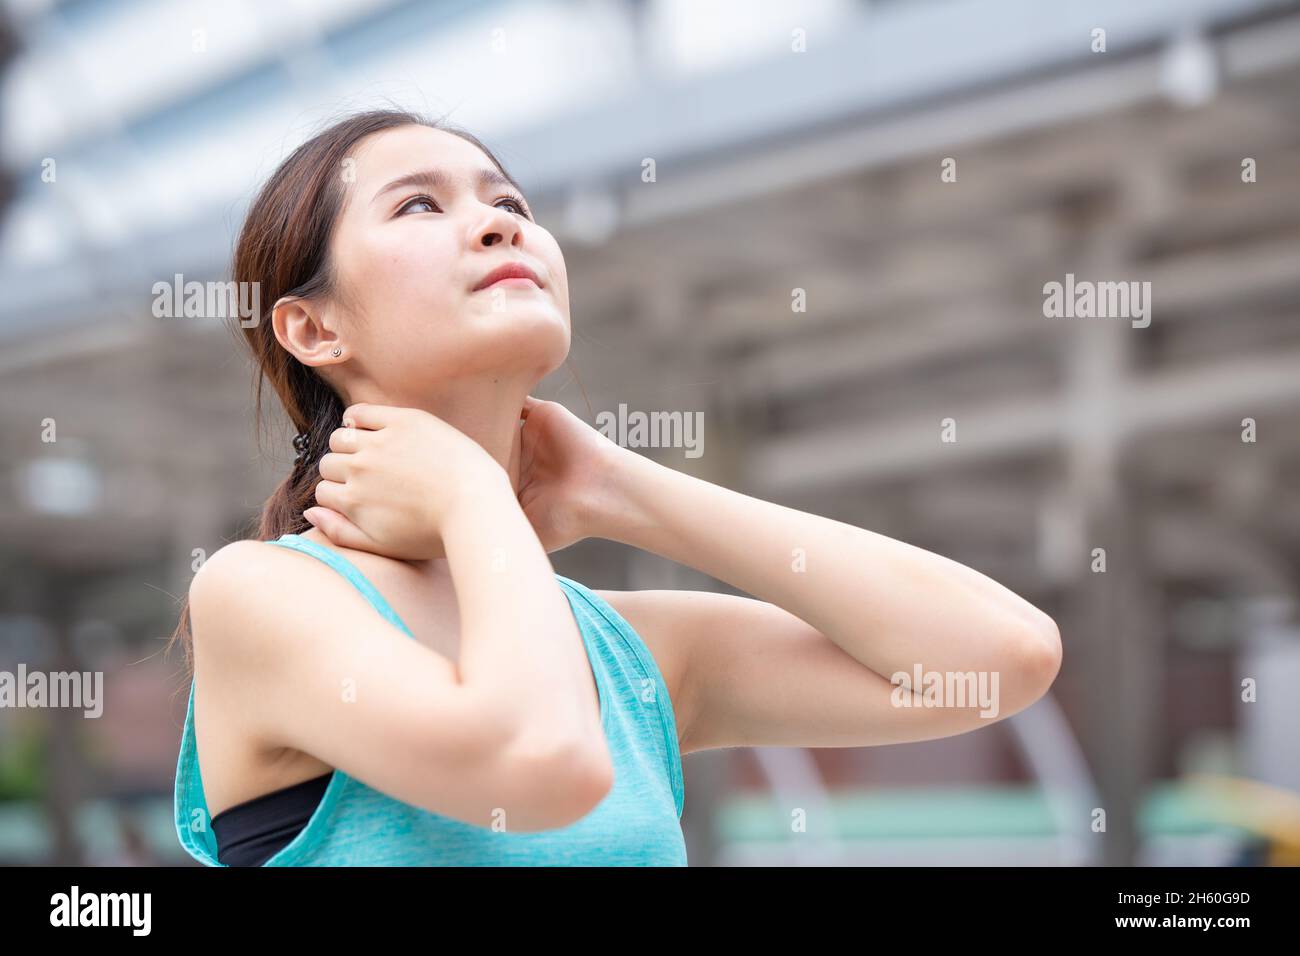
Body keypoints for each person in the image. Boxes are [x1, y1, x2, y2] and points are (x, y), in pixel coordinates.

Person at [169, 109, 1062, 866]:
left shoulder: (622, 652)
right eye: (417, 205)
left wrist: (620, 488)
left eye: (509, 201)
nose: (499, 223)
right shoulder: (260, 595)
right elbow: (544, 766)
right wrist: (473, 495)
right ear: (312, 327)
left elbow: (1002, 659)